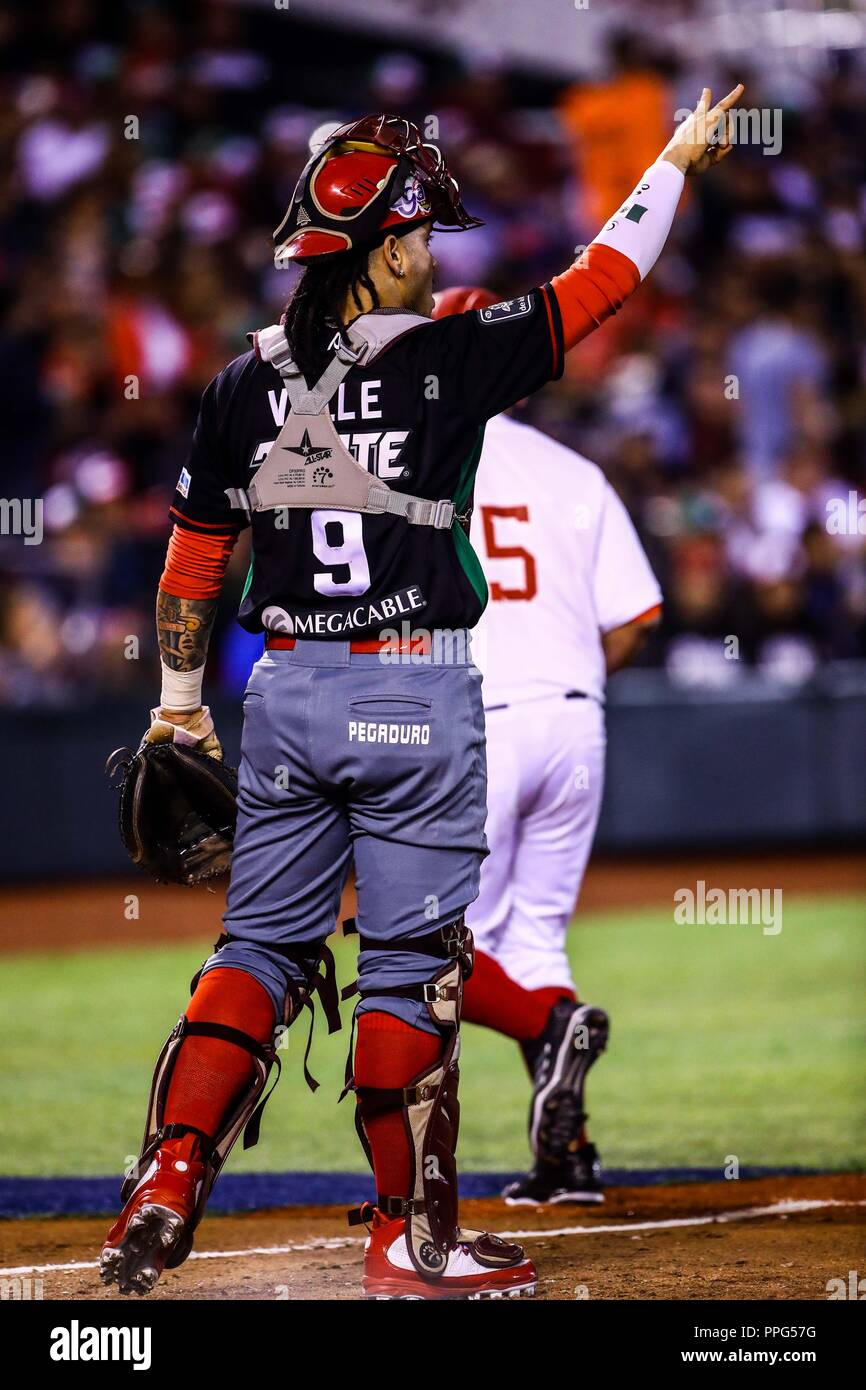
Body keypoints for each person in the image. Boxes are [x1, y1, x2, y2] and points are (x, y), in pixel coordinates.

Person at [100, 90, 742, 1300]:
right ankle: (408, 1241)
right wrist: (670, 163)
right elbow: (601, 280)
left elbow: (192, 563)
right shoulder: (449, 360)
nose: (429, 256)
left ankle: (168, 1175)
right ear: (389, 247)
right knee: (407, 973)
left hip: (283, 697)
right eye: (422, 238)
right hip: (417, 700)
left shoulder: (243, 384)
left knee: (257, 952)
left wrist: (178, 705)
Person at [438, 278, 663, 1205]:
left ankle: (418, 1184)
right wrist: (568, 681)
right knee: (533, 937)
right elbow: (639, 615)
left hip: (477, 721)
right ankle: (568, 1159)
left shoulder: (417, 461)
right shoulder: (577, 471)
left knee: (424, 949)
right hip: (577, 719)